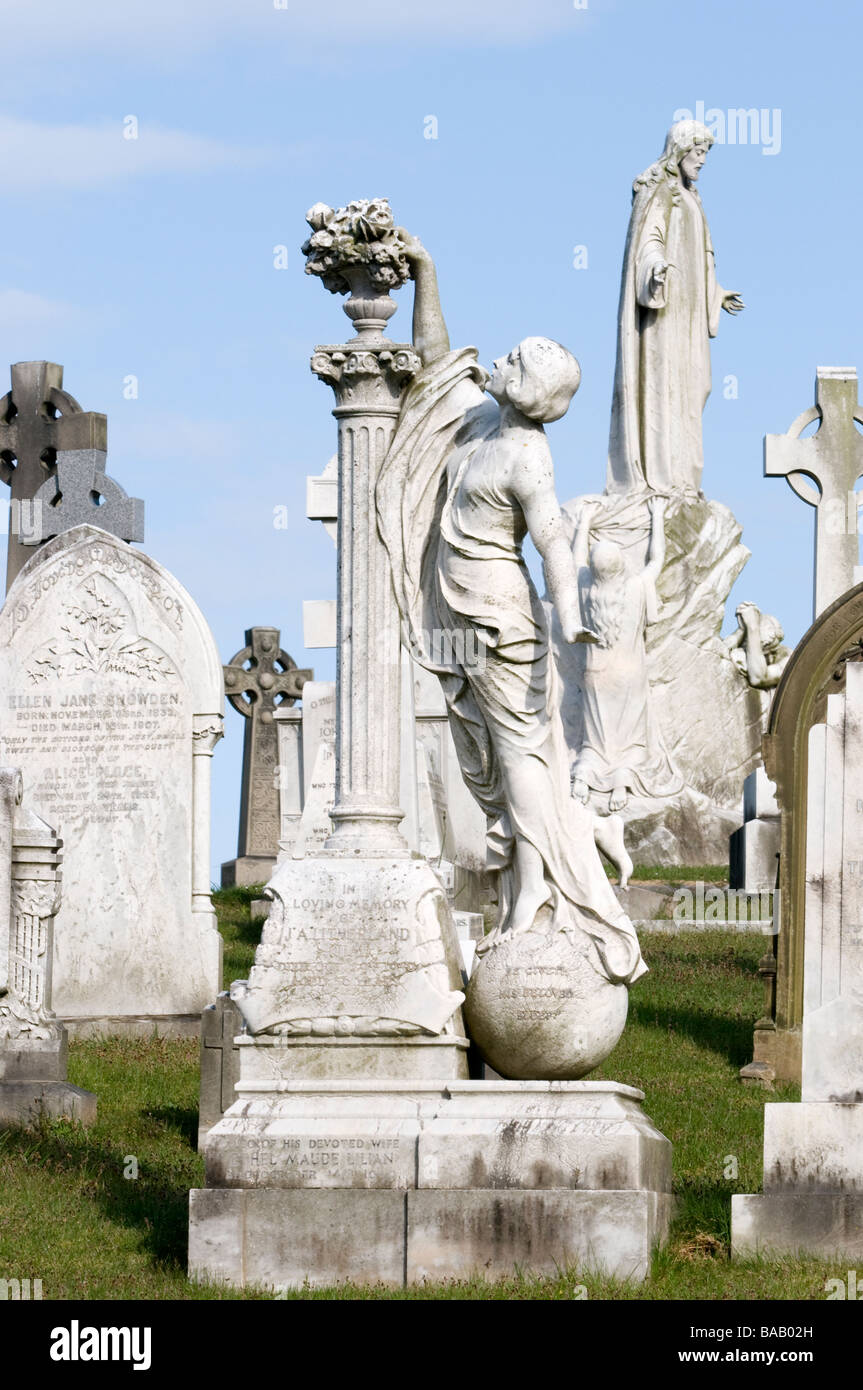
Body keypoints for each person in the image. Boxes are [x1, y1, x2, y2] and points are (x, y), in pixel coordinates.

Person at [376, 232, 645, 985]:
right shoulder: (474, 424)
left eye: (514, 360)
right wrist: (426, 269)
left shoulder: (526, 454)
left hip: (502, 619)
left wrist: (567, 612)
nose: (499, 359)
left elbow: (553, 539)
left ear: (527, 390)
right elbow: (434, 359)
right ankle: (524, 880)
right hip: (458, 613)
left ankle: (534, 887)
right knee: (492, 755)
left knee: (521, 754)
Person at [607, 120, 744, 497]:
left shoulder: (693, 200)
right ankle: (662, 475)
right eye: (698, 153)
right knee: (664, 384)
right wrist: (653, 269)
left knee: (697, 385)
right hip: (664, 311)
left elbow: (703, 257)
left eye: (705, 155)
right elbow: (649, 240)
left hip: (690, 316)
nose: (702, 162)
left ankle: (685, 477)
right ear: (680, 150)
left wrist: (715, 293)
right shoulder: (660, 193)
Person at [570, 495, 683, 812]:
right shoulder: (636, 587)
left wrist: (584, 522)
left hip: (596, 677)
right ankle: (622, 782)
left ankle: (582, 775)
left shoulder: (585, 589)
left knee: (595, 741)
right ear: (620, 565)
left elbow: (575, 559)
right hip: (629, 678)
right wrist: (657, 515)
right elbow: (656, 561)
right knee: (631, 742)